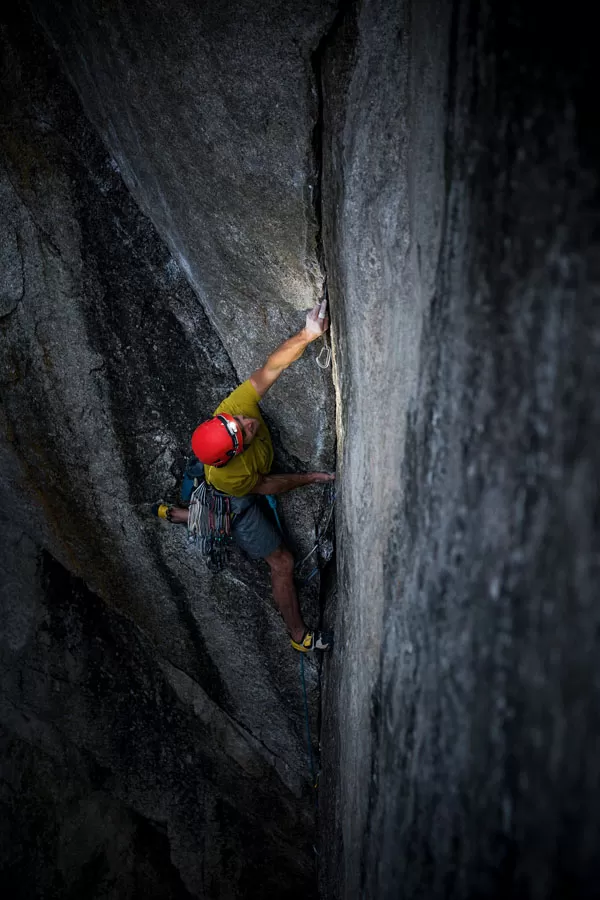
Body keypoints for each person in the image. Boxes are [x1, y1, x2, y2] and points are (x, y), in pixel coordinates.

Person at [155, 301, 334, 653]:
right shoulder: (234, 476)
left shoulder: (231, 410)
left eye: (240, 424)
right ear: (233, 455)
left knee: (212, 504)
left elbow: (271, 368)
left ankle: (175, 513)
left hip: (224, 479)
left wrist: (308, 334)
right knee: (281, 562)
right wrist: (309, 478)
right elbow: (270, 486)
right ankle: (299, 638)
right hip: (234, 497)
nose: (249, 423)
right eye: (244, 434)